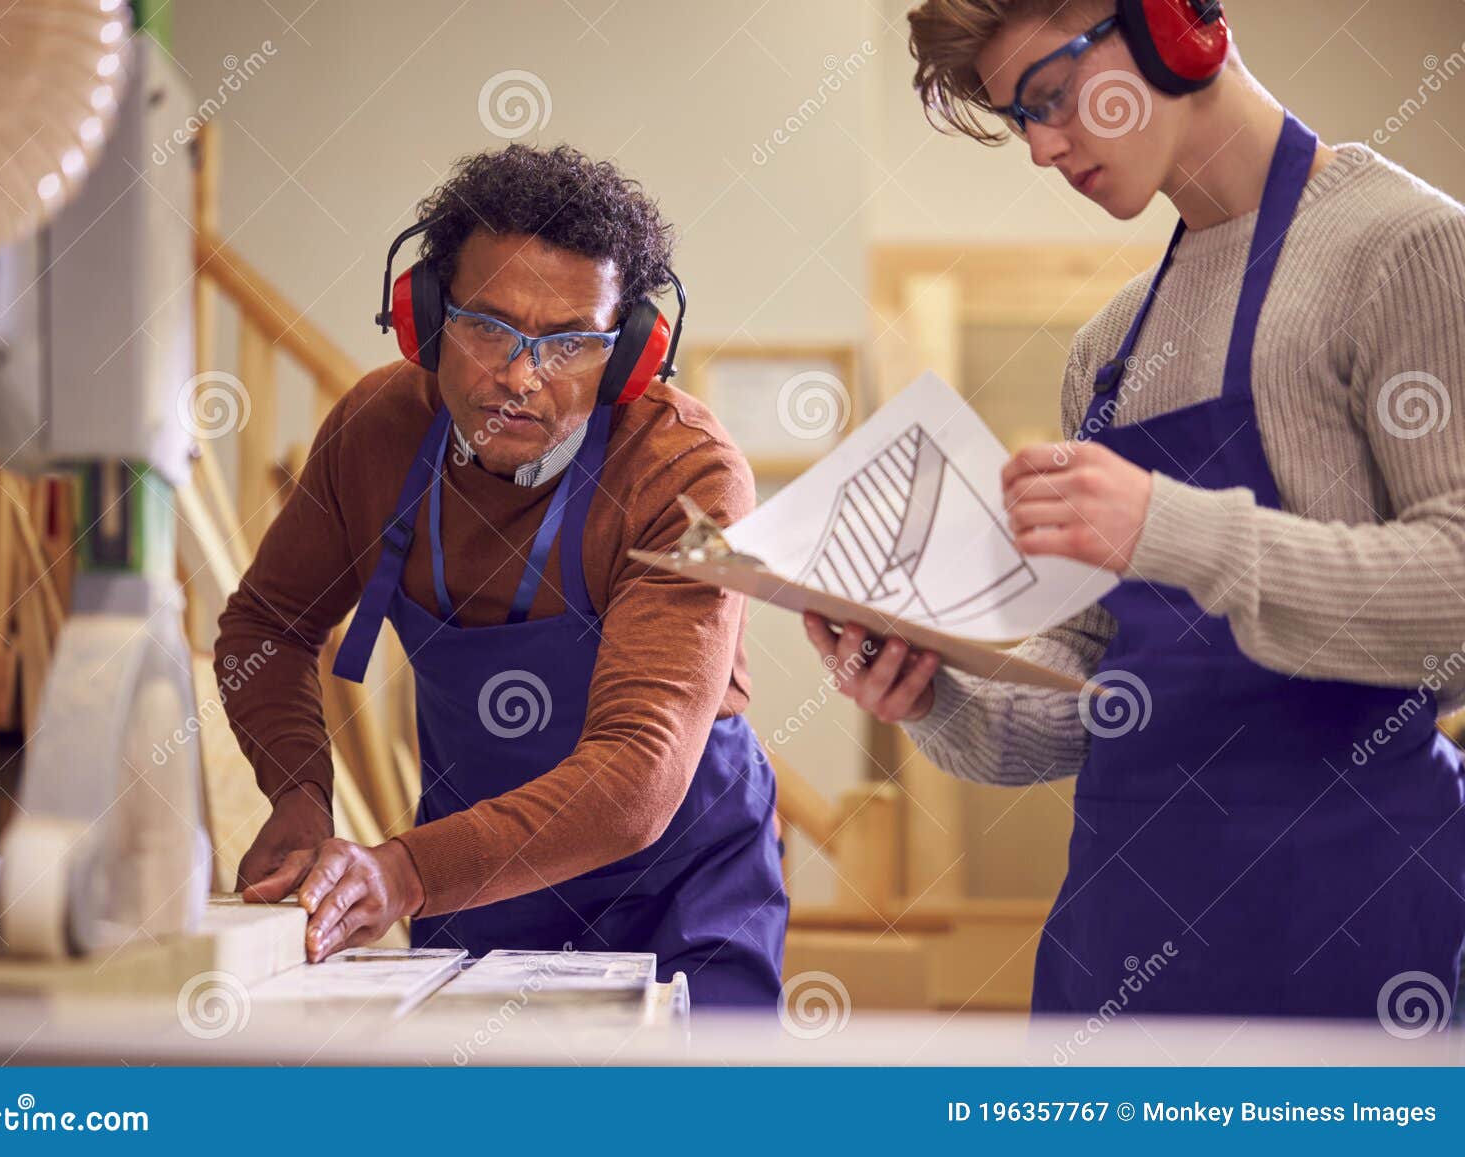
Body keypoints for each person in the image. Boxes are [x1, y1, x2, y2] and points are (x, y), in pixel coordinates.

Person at [806, 0, 1465, 1018]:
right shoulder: (1109, 349)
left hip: (1355, 924)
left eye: (1049, 96)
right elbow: (1094, 679)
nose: (1039, 148)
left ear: (1173, 26)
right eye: (1018, 119)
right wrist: (934, 696)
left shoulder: (1405, 247)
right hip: (1123, 935)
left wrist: (1169, 526)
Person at [216, 144, 786, 1007]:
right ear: (425, 316)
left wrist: (406, 870)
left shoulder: (685, 475)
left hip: (684, 877)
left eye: (572, 342)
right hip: (479, 876)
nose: (521, 377)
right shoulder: (375, 432)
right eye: (488, 327)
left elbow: (637, 776)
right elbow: (266, 627)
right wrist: (297, 791)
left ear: (629, 355)